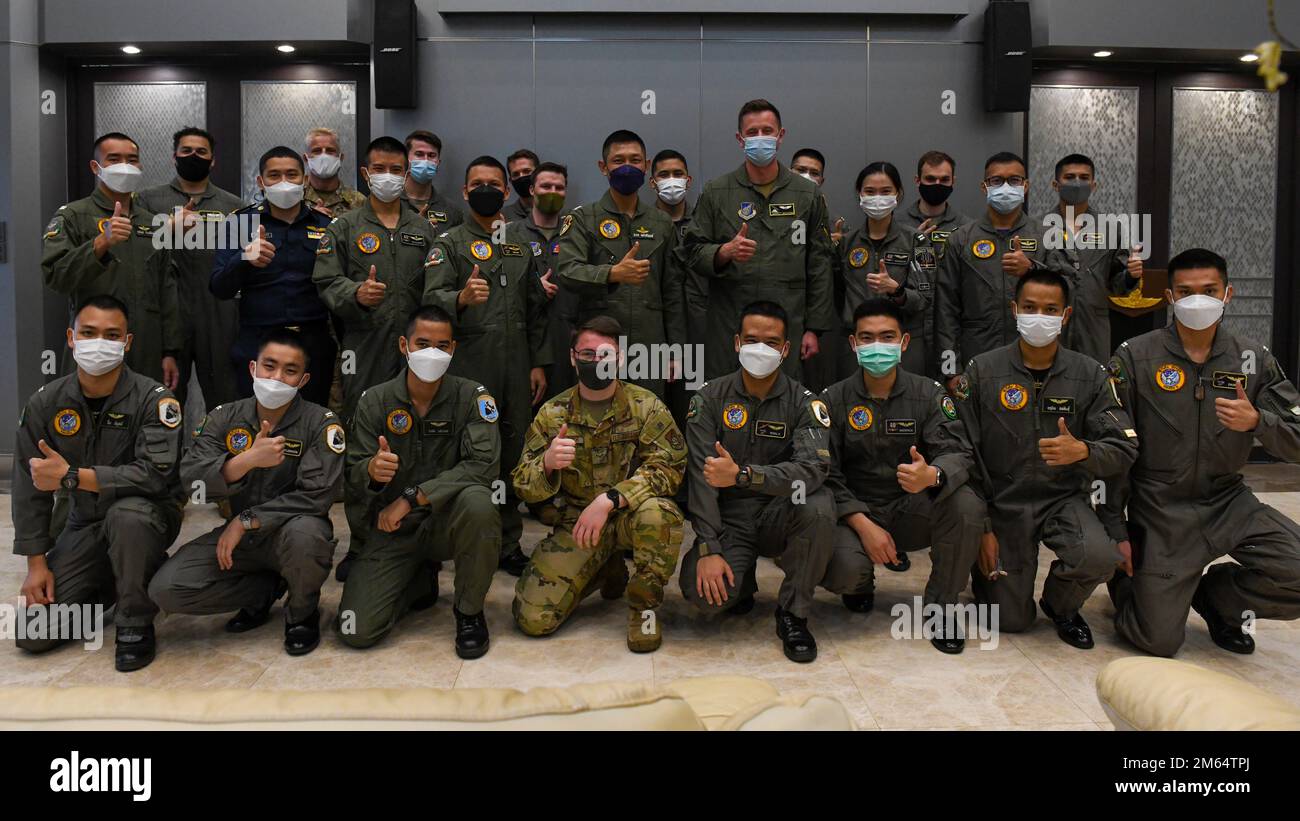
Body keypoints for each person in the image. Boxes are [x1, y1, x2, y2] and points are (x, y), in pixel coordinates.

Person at [1104, 248, 1300, 656]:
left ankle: (1218, 599)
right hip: (1162, 508)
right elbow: (1112, 449)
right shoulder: (1134, 357)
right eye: (1186, 291)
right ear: (1170, 297)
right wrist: (1115, 528)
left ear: (1228, 294)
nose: (1198, 300)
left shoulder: (1253, 359)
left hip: (1228, 500)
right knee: (1157, 641)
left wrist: (1258, 422)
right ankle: (1130, 587)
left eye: (1209, 290)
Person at [953, 269, 1137, 648]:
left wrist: (1085, 451)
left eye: (1051, 309)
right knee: (1012, 622)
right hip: (1003, 503)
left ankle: (1061, 605)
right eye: (1030, 307)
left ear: (1065, 316)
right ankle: (990, 578)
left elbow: (1123, 446)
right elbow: (961, 452)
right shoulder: (983, 370)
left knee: (1099, 557)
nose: (1040, 316)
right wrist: (983, 528)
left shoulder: (1090, 375)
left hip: (1062, 499)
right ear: (1014, 309)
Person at [12, 295, 185, 671]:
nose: (99, 343)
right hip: (85, 522)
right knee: (33, 634)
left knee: (127, 517)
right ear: (71, 338)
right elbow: (29, 487)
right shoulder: (46, 402)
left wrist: (72, 476)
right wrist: (36, 564)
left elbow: (155, 476)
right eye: (88, 333)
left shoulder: (154, 400)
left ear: (128, 342)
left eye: (111, 335)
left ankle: (135, 620)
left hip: (147, 515)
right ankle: (119, 578)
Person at [148, 330, 341, 655]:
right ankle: (261, 592)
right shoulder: (224, 417)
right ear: (253, 368)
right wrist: (243, 462)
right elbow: (191, 480)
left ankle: (302, 613)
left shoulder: (320, 423)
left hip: (290, 533)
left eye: (289, 370)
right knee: (166, 588)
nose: (277, 377)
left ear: (303, 379)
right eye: (269, 366)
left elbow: (317, 497)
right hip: (242, 541)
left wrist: (247, 520)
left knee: (308, 536)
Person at [819, 298, 985, 652]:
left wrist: (933, 475)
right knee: (845, 571)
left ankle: (941, 605)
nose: (877, 346)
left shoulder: (929, 394)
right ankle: (860, 582)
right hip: (855, 512)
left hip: (912, 508)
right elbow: (824, 472)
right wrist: (863, 525)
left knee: (967, 505)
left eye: (887, 336)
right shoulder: (833, 400)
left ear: (904, 342)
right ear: (853, 344)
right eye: (867, 338)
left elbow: (958, 452)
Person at [512, 316, 686, 652]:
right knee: (533, 620)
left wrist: (612, 498)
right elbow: (521, 484)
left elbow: (671, 467)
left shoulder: (645, 406)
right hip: (578, 525)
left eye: (606, 355)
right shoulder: (553, 413)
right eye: (587, 354)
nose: (596, 362)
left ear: (620, 358)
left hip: (628, 514)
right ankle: (604, 569)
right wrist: (547, 465)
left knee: (660, 515)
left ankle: (644, 608)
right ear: (572, 358)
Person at [337, 305, 501, 657]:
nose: (432, 352)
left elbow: (483, 467)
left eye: (442, 346)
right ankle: (417, 580)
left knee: (480, 503)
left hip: (447, 523)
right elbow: (351, 474)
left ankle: (469, 612)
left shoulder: (473, 397)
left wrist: (415, 496)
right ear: (403, 345)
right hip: (393, 528)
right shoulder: (374, 401)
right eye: (422, 342)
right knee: (356, 629)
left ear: (453, 349)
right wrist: (371, 471)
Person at [678, 301, 835, 663]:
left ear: (785, 349)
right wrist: (708, 548)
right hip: (731, 518)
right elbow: (701, 480)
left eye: (771, 342)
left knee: (819, 504)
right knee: (701, 595)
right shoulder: (709, 398)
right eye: (751, 340)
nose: (760, 349)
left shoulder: (804, 403)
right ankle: (741, 578)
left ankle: (793, 614)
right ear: (736, 343)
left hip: (781, 512)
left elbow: (813, 470)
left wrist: (746, 475)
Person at [422, 154, 552, 576]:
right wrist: (459, 299)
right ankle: (461, 536)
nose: (487, 190)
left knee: (512, 451)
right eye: (478, 183)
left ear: (507, 191)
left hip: (516, 369)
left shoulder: (519, 244)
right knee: (471, 450)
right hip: (469, 367)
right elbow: (429, 302)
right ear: (464, 191)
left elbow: (535, 309)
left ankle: (508, 540)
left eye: (495, 184)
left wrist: (538, 364)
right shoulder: (449, 243)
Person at [680, 99, 835, 381]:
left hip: (788, 318)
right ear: (740, 139)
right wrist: (723, 252)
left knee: (783, 399)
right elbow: (690, 251)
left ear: (781, 135)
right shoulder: (717, 192)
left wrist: (815, 328)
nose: (760, 138)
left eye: (768, 130)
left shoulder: (807, 194)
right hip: (730, 320)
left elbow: (820, 263)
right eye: (752, 132)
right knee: (726, 399)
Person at [311, 135, 438, 421]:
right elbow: (326, 280)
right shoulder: (344, 227)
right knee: (361, 414)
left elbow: (436, 285)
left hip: (415, 344)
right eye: (380, 169)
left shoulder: (422, 230)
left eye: (395, 170)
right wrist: (355, 293)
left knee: (415, 415)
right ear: (366, 174)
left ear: (406, 176)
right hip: (361, 343)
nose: (388, 177)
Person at [42, 132, 180, 387]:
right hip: (94, 344)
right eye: (114, 159)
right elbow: (56, 276)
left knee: (144, 415)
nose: (124, 167)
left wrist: (170, 351)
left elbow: (166, 289)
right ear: (96, 167)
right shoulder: (73, 216)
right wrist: (100, 243)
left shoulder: (153, 223)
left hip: (145, 347)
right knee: (85, 418)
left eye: (131, 160)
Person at [557, 129, 685, 400]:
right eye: (618, 160)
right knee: (597, 415)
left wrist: (676, 350)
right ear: (603, 167)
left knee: (649, 418)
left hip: (650, 345)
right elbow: (568, 271)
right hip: (598, 341)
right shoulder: (582, 218)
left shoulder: (661, 222)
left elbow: (673, 291)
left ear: (646, 166)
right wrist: (613, 273)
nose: (627, 167)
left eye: (635, 160)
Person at [212, 146, 336, 407]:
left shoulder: (327, 226)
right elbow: (219, 287)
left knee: (311, 420)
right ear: (260, 182)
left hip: (312, 342)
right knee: (253, 418)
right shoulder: (240, 223)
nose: (284, 182)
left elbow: (336, 287)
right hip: (257, 341)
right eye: (274, 175)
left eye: (292, 175)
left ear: (304, 180)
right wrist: (244, 259)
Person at [137, 126, 244, 410]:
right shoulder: (148, 200)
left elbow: (242, 266)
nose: (193, 156)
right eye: (186, 151)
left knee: (225, 396)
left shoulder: (234, 205)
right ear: (174, 157)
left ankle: (224, 454)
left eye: (201, 152)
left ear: (212, 160)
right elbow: (137, 251)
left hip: (219, 314)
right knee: (164, 396)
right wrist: (167, 228)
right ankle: (164, 455)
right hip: (168, 311)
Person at [935, 151, 1061, 390]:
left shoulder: (1047, 236)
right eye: (996, 181)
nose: (1006, 186)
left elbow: (1068, 289)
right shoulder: (961, 239)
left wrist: (1032, 269)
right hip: (977, 355)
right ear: (984, 187)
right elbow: (945, 311)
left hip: (1036, 354)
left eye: (1014, 180)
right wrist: (949, 373)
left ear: (1025, 186)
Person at [1041, 153, 1143, 364]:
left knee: (1093, 381)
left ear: (1093, 185)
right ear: (1055, 184)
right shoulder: (1038, 227)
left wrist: (1131, 276)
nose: (1077, 182)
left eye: (1084, 177)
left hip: (1093, 326)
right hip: (1049, 323)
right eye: (1069, 177)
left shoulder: (1111, 229)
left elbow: (1117, 285)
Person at [834, 162, 932, 381]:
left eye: (885, 191)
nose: (877, 198)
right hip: (856, 343)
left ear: (898, 193)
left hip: (902, 343)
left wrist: (897, 291)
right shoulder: (845, 244)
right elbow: (837, 294)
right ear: (859, 194)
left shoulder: (918, 241)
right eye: (870, 191)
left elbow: (925, 298)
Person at [512, 161, 570, 400]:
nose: (553, 193)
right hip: (524, 343)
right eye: (546, 186)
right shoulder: (510, 233)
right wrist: (533, 287)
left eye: (559, 188)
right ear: (532, 190)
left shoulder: (576, 231)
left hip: (567, 340)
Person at [904, 149, 971, 250]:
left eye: (944, 179)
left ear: (953, 181)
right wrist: (910, 246)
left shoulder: (966, 227)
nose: (937, 184)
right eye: (930, 179)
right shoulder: (897, 223)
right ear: (917, 181)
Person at [402, 129, 464, 230]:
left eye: (431, 155)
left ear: (438, 162)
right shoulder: (390, 203)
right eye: (419, 154)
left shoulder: (452, 211)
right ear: (405, 159)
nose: (425, 160)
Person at [302, 127, 366, 217]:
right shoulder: (296, 199)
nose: (324, 156)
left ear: (341, 158)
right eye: (317, 151)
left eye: (330, 150)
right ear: (306, 158)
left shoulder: (359, 202)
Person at [505, 148, 539, 223]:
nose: (521, 177)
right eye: (516, 174)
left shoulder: (556, 212)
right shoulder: (503, 216)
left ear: (539, 174)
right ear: (510, 181)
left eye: (527, 171)